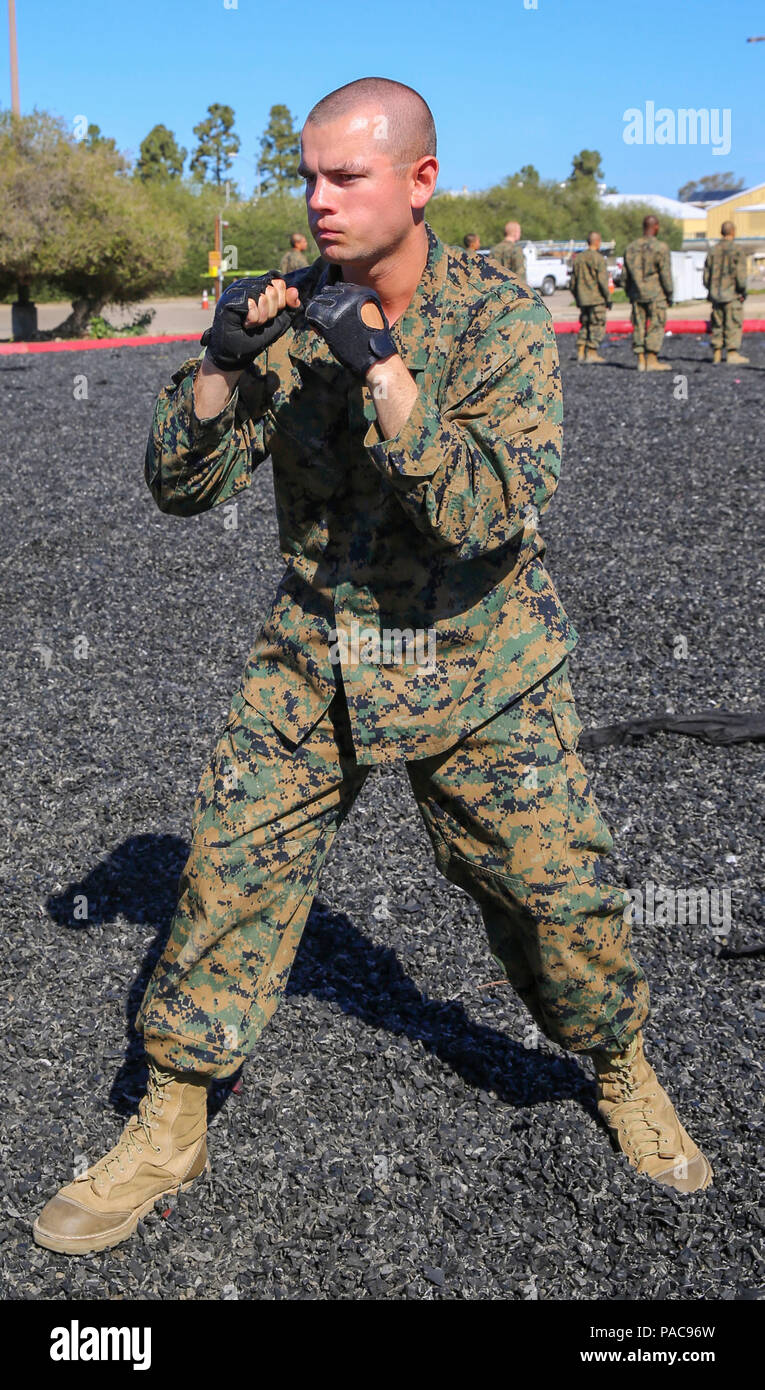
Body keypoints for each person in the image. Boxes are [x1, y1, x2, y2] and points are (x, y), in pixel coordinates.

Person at [33, 76, 712, 1256]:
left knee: (558, 905)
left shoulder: (498, 322)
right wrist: (220, 363)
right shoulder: (291, 320)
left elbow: (490, 514)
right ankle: (173, 1112)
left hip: (478, 659)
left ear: (420, 181)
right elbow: (181, 489)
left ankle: (619, 1065)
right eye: (307, 177)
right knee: (225, 880)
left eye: (345, 177)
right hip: (316, 654)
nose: (319, 202)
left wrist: (388, 372)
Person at [623, 215, 673, 372]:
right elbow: (665, 274)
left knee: (638, 325)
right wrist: (670, 293)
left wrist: (629, 291)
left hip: (636, 293)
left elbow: (625, 276)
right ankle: (651, 359)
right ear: (656, 227)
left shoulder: (631, 248)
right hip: (656, 293)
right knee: (656, 324)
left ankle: (640, 360)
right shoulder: (661, 247)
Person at [703, 221, 749, 365]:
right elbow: (741, 277)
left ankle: (716, 353)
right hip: (732, 294)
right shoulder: (737, 250)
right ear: (733, 232)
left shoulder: (713, 250)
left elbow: (705, 277)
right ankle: (732, 353)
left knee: (717, 324)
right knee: (733, 323)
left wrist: (712, 289)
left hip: (716, 295)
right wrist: (742, 291)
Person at [570, 232, 611, 364]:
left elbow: (572, 282)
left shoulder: (578, 258)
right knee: (597, 324)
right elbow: (603, 281)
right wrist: (608, 298)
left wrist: (577, 297)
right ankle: (592, 352)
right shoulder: (598, 258)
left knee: (585, 324)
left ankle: (581, 351)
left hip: (583, 299)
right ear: (598, 242)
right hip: (596, 299)